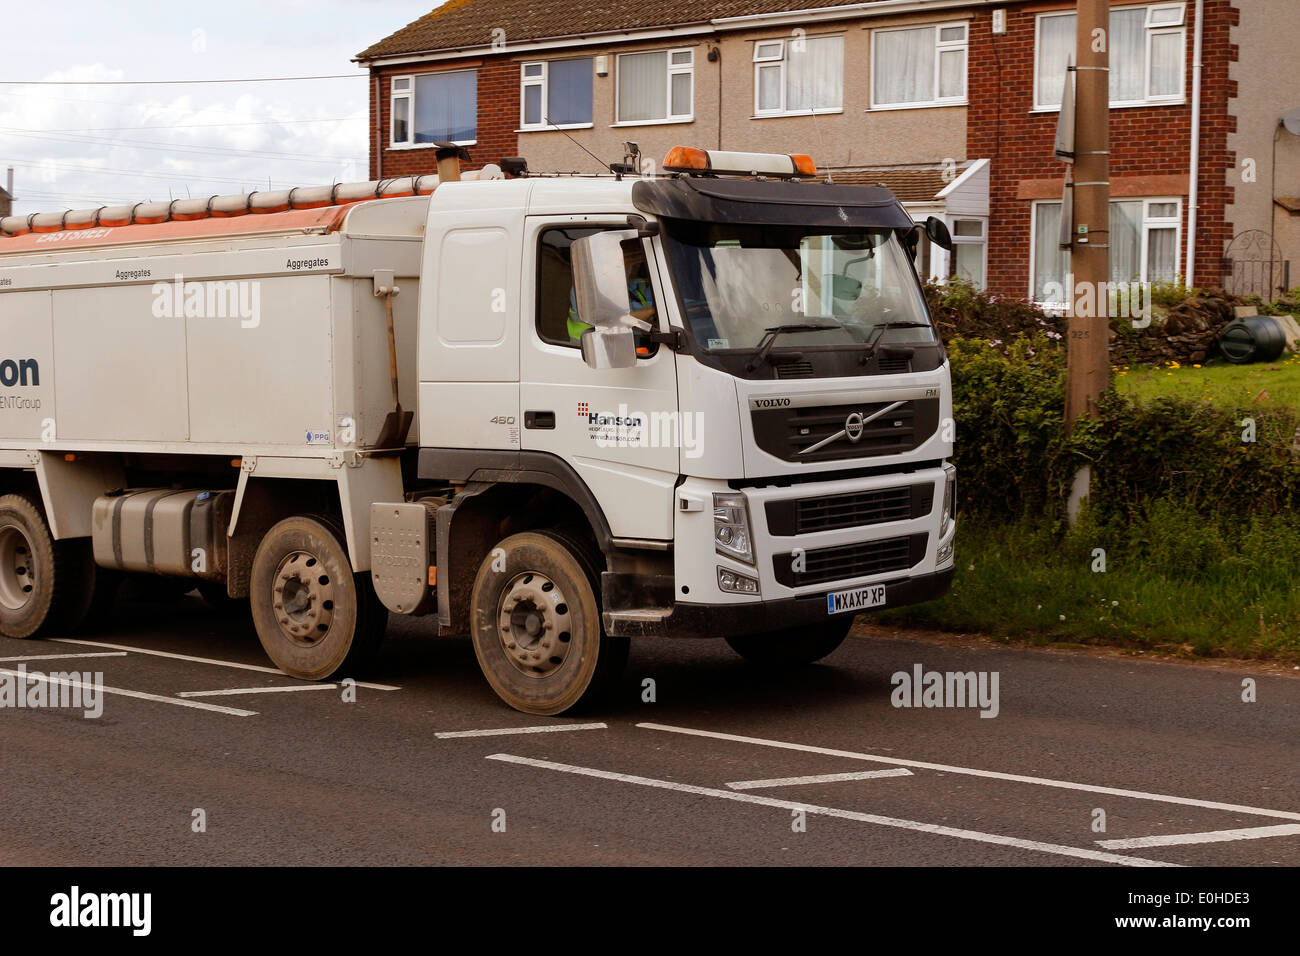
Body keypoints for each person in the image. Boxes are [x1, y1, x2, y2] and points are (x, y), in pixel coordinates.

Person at [567, 246, 657, 344]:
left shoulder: (637, 286)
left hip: (635, 350)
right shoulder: (585, 288)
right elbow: (615, 322)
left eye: (634, 262)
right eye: (624, 262)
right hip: (591, 352)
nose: (631, 268)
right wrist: (653, 311)